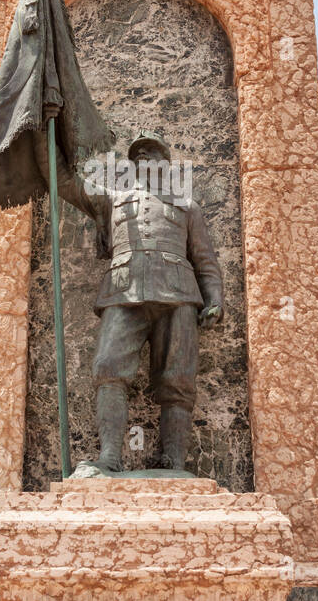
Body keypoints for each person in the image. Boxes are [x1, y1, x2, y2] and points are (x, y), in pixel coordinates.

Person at [37, 131, 223, 475]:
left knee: (178, 380)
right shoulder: (113, 200)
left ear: (165, 165)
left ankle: (173, 460)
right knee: (107, 368)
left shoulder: (187, 207)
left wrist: (214, 299)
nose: (144, 159)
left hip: (179, 295)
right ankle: (109, 457)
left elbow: (205, 261)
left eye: (151, 154)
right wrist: (42, 131)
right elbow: (64, 182)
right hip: (124, 292)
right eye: (139, 156)